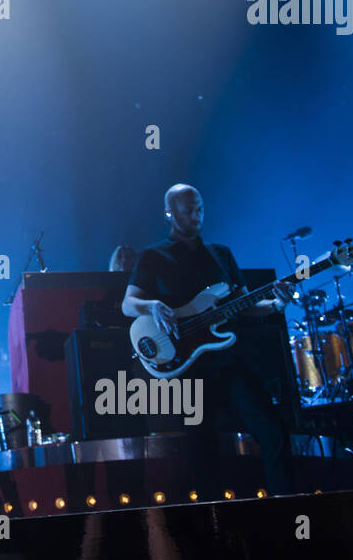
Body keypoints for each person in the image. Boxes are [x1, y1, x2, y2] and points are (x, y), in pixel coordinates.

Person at [121, 184, 295, 498]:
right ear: (169, 213)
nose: (196, 214)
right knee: (202, 450)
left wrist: (278, 304)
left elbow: (247, 306)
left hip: (226, 361)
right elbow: (128, 303)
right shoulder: (152, 256)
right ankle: (212, 527)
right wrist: (153, 306)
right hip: (185, 366)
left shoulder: (221, 254)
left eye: (199, 207)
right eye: (188, 208)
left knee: (272, 430)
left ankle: (285, 505)